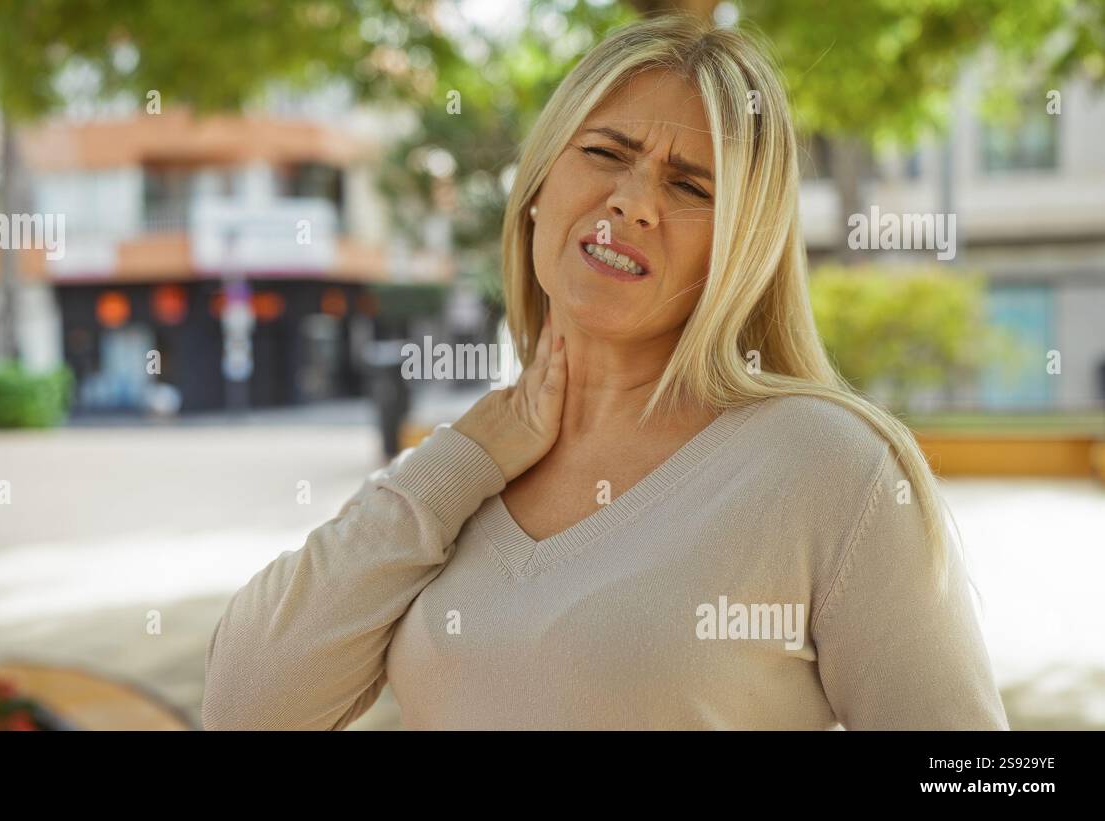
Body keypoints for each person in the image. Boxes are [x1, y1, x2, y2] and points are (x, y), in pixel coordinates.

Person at [201, 14, 1009, 730]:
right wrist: (454, 467)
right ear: (538, 185)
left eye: (689, 185)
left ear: (742, 248)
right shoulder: (463, 471)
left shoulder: (830, 468)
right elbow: (245, 707)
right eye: (605, 153)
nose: (634, 202)